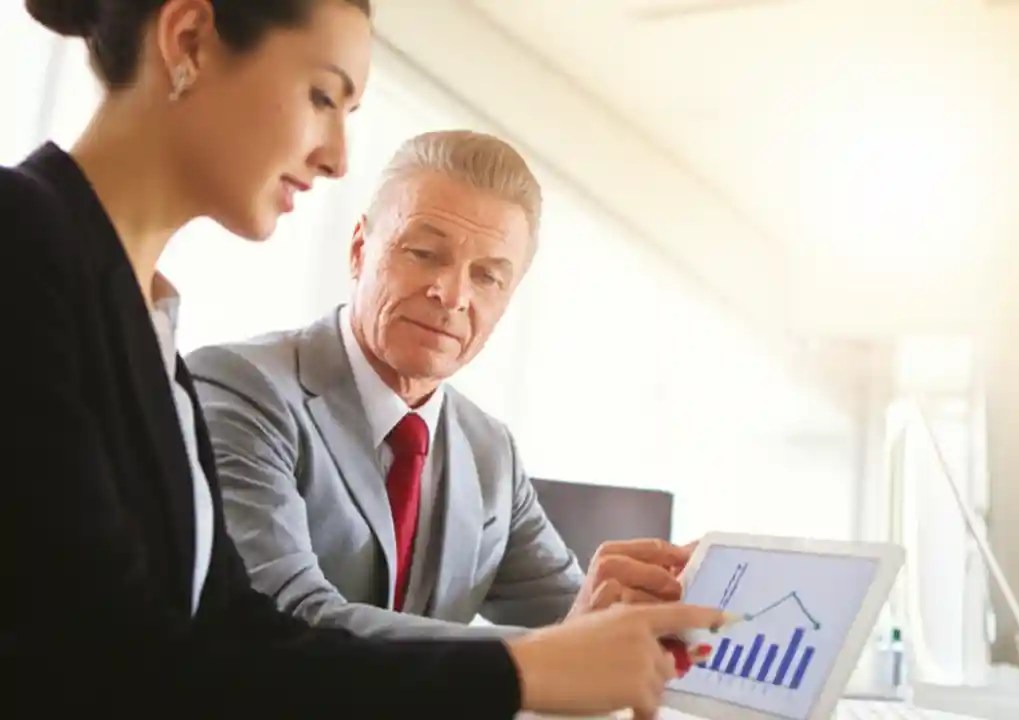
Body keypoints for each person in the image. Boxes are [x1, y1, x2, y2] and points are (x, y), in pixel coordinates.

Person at [0, 1, 720, 717]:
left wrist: (633, 617)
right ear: (188, 40)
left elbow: (227, 632)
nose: (338, 157)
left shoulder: (152, 341)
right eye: (322, 96)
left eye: (488, 276)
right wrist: (527, 666)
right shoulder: (24, 242)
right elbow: (127, 646)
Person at [187, 129, 690, 640]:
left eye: (487, 277)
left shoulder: (490, 452)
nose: (451, 295)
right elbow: (288, 618)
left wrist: (667, 607)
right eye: (424, 252)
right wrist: (567, 646)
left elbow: (577, 614)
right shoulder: (240, 388)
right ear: (359, 250)